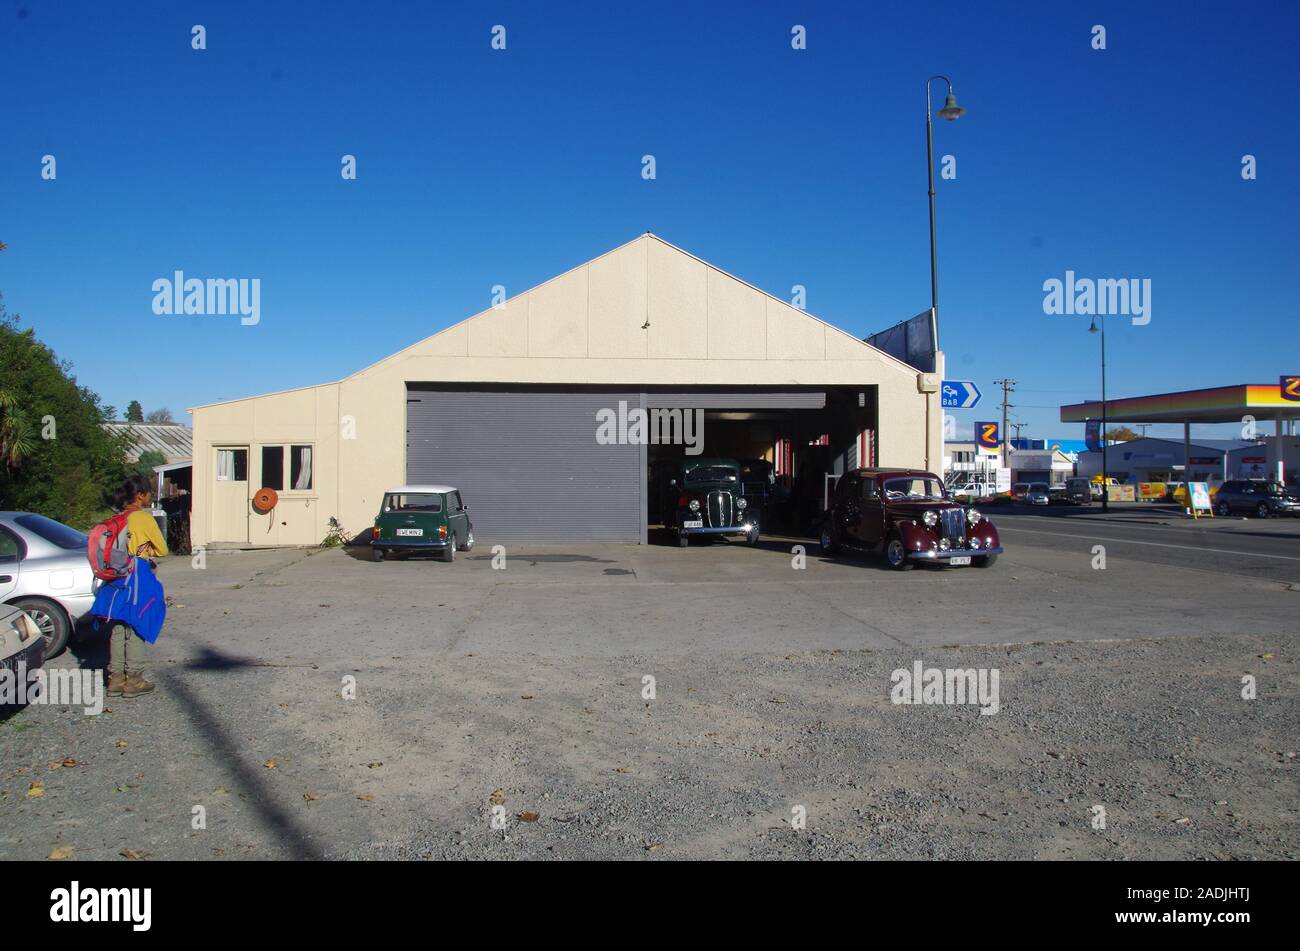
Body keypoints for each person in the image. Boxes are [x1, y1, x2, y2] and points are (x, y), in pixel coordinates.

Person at [105, 474, 168, 698]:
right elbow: (162, 550)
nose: (150, 496)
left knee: (118, 626)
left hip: (115, 578)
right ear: (140, 495)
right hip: (138, 575)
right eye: (149, 492)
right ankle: (134, 679)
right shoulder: (144, 519)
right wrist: (146, 550)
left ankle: (115, 679)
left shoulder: (117, 518)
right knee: (137, 624)